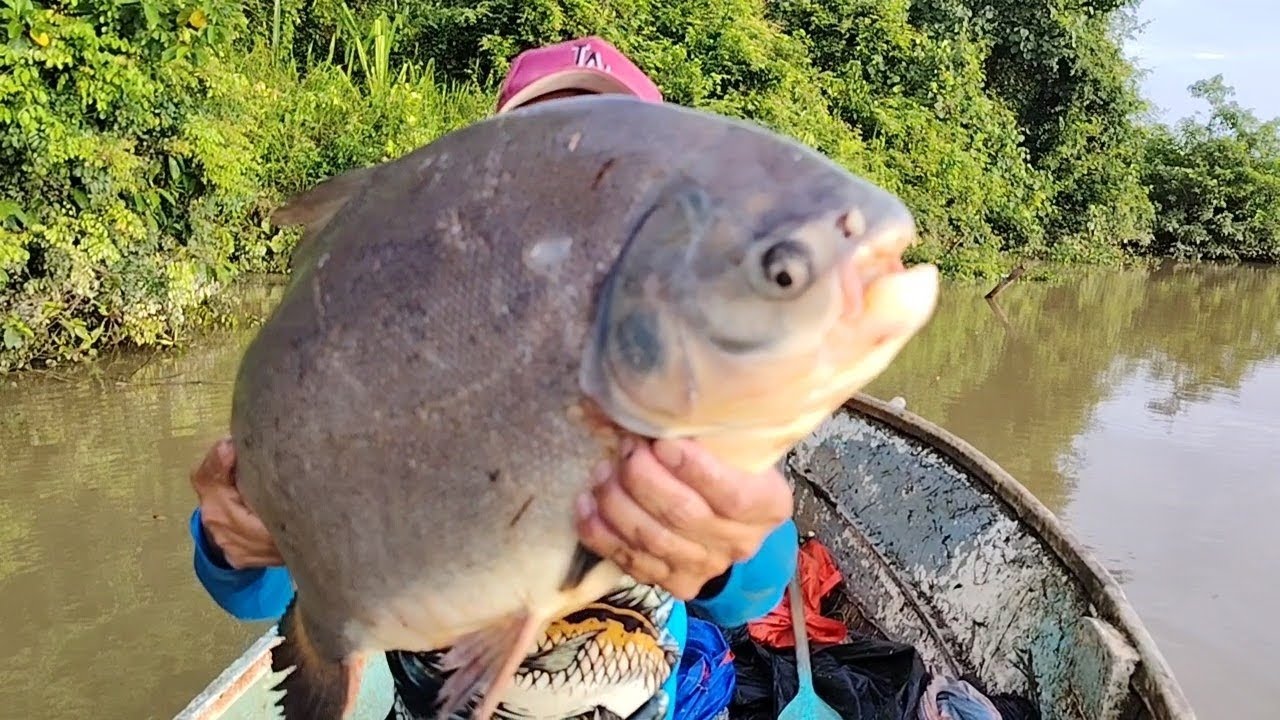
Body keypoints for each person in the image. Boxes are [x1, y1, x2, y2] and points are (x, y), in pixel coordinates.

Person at [188, 36, 798, 720]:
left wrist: (716, 550)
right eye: (550, 144)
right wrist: (230, 539)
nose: (579, 176)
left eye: (611, 155)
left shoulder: (683, 357)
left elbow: (756, 591)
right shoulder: (401, 322)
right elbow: (254, 595)